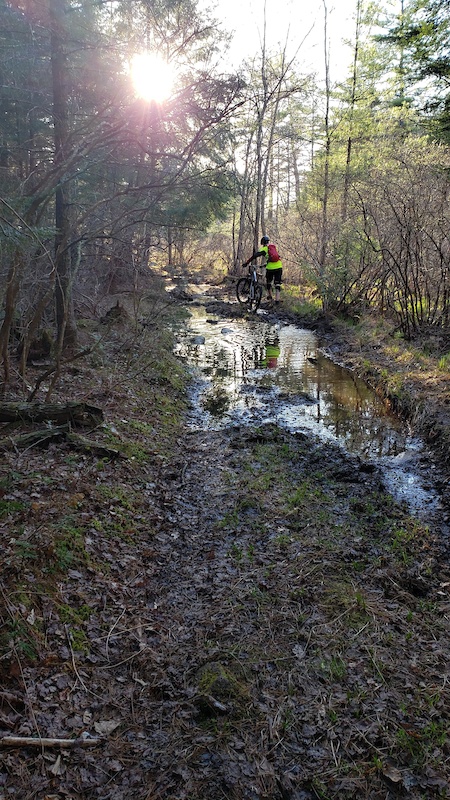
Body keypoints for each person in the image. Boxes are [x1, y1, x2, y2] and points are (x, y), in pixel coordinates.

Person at [243, 236, 283, 304]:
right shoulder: (273, 247)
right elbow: (273, 257)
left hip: (270, 268)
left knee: (268, 282)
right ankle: (277, 300)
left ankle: (270, 297)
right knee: (277, 284)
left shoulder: (264, 249)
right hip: (279, 266)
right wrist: (265, 264)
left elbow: (254, 256)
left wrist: (247, 263)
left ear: (262, 243)